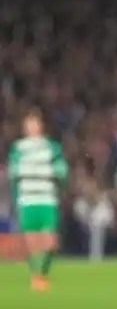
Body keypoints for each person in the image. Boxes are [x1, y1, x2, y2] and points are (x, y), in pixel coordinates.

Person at [8, 111, 68, 292]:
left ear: (41, 126)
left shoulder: (52, 147)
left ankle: (43, 272)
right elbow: (13, 173)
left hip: (47, 198)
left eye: (35, 123)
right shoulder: (18, 148)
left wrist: (58, 176)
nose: (32, 127)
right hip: (28, 199)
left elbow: (62, 170)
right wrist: (16, 197)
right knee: (32, 242)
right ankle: (37, 276)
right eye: (29, 124)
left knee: (51, 242)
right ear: (25, 128)